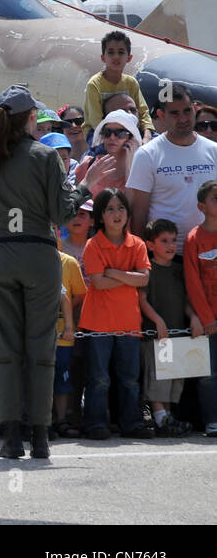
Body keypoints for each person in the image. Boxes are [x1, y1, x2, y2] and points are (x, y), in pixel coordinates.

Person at [0, 85, 117, 459]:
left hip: (1, 255)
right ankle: (40, 436)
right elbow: (64, 214)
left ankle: (11, 437)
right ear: (31, 117)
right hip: (39, 256)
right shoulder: (46, 156)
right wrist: (86, 184)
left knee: (7, 349)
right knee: (41, 346)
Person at [80, 189, 153, 440]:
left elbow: (144, 279)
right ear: (100, 216)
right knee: (99, 379)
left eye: (121, 208)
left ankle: (131, 423)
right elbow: (98, 283)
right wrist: (128, 277)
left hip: (129, 323)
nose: (116, 214)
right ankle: (95, 423)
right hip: (98, 323)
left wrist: (112, 272)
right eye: (110, 209)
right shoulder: (93, 244)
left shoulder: (138, 244)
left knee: (130, 379)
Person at [127, 84, 217, 251]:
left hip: (209, 255)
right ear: (161, 115)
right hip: (165, 259)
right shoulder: (147, 154)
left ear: (195, 109)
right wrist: (140, 259)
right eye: (175, 113)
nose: (182, 119)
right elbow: (139, 213)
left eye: (187, 111)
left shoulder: (214, 151)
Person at [138, 218, 192, 437]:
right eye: (164, 241)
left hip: (176, 333)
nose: (171, 245)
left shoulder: (180, 269)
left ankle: (167, 419)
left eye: (173, 240)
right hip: (154, 334)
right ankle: (160, 417)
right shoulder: (147, 269)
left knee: (172, 377)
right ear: (150, 245)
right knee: (157, 377)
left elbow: (187, 298)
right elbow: (142, 299)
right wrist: (158, 320)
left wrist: (193, 317)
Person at [183, 180, 217, 437]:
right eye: (215, 198)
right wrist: (206, 317)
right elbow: (193, 282)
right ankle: (212, 420)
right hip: (209, 321)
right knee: (208, 374)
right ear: (201, 206)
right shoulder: (194, 239)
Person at [84, 30, 155, 137]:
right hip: (100, 132)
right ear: (103, 57)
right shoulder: (94, 84)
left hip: (130, 130)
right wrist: (117, 137)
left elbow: (143, 112)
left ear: (129, 58)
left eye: (121, 52)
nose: (116, 57)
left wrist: (147, 135)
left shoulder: (131, 83)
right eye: (111, 52)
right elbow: (96, 121)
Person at [52, 249, 84, 438]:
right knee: (39, 378)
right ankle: (42, 420)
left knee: (62, 378)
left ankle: (61, 419)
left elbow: (65, 298)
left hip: (62, 337)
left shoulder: (67, 262)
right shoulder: (28, 261)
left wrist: (70, 327)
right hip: (37, 337)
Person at [74, 110, 141, 187]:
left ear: (131, 138)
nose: (112, 137)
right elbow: (76, 197)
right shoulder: (87, 165)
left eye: (120, 133)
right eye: (107, 132)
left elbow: (134, 199)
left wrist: (129, 170)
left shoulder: (140, 169)